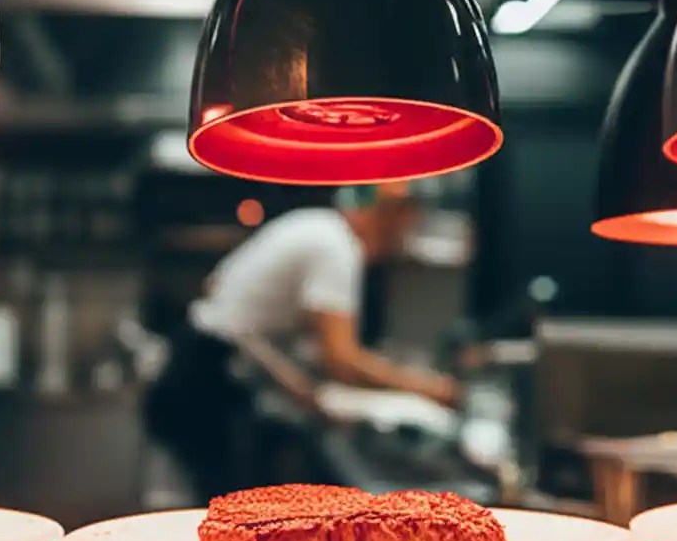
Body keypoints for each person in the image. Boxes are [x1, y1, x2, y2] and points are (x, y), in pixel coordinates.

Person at [143, 183, 458, 500]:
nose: (400, 241)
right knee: (229, 521)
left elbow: (220, 293)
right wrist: (425, 387)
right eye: (405, 227)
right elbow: (339, 359)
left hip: (195, 369)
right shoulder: (336, 246)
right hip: (207, 384)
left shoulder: (315, 226)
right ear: (391, 214)